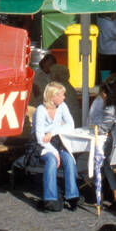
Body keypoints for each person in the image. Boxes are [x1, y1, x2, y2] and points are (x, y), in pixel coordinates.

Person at [31, 81, 80, 212]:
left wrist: (53, 132)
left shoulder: (62, 106)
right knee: (52, 160)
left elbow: (71, 124)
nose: (64, 97)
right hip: (41, 144)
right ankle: (50, 198)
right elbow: (40, 137)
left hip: (56, 140)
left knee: (69, 159)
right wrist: (55, 152)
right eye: (62, 95)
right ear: (53, 96)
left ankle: (72, 195)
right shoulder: (41, 111)